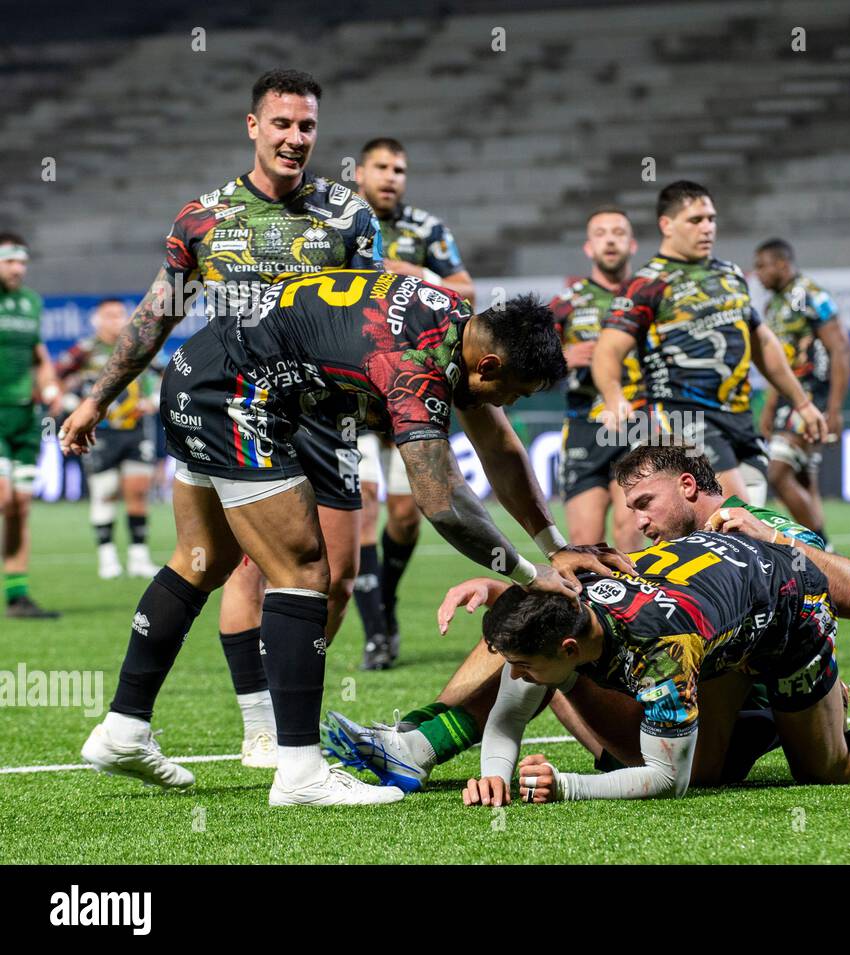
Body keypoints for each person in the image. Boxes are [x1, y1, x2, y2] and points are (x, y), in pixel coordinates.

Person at [61, 268, 629, 805]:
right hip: (235, 396)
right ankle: (301, 773)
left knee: (201, 561)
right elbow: (442, 502)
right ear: (490, 364)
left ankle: (123, 727)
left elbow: (499, 450)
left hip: (198, 372)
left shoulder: (457, 324)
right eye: (516, 392)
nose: (512, 405)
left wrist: (555, 544)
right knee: (305, 571)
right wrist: (532, 576)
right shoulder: (415, 366)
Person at [64, 69, 387, 768]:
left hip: (323, 418)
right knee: (249, 568)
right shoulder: (203, 218)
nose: (295, 138)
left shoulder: (350, 216)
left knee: (329, 575)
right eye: (282, 124)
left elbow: (372, 321)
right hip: (233, 415)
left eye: (307, 127)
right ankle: (270, 731)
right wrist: (98, 394)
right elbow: (158, 314)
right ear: (253, 126)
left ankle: (148, 724)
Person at [456, 531, 850, 805]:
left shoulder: (661, 653)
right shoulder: (560, 608)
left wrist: (565, 787)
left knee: (825, 772)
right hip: (718, 610)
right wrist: (494, 780)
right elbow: (507, 717)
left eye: (524, 666)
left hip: (790, 605)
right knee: (714, 768)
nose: (515, 675)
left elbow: (670, 780)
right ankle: (812, 707)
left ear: (572, 649)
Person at [592, 180, 826, 505]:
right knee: (736, 515)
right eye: (695, 220)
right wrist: (613, 395)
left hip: (740, 418)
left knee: (738, 528)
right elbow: (608, 348)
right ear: (667, 225)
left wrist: (801, 402)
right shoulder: (646, 284)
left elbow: (763, 343)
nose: (707, 228)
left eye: (711, 219)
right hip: (684, 416)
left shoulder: (730, 275)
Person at [352, 136, 475, 669]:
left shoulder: (428, 230)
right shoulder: (339, 222)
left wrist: (416, 275)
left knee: (406, 515)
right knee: (363, 509)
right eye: (381, 167)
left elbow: (464, 289)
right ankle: (377, 633)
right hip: (351, 391)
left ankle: (387, 599)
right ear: (359, 172)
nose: (391, 176)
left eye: (399, 168)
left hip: (410, 390)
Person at [551, 206, 643, 555]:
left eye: (618, 233)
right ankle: (596, 609)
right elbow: (530, 367)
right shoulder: (565, 304)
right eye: (601, 233)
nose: (610, 240)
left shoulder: (648, 297)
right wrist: (563, 358)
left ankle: (637, 608)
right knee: (586, 545)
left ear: (632, 244)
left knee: (629, 529)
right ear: (589, 248)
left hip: (638, 424)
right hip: (584, 428)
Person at [752, 238, 850, 547]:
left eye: (761, 266)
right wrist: (769, 406)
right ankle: (827, 558)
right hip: (787, 400)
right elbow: (778, 362)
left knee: (778, 473)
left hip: (812, 397)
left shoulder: (812, 294)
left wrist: (834, 408)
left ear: (782, 264)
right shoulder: (773, 305)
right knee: (802, 479)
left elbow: (841, 348)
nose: (757, 274)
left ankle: (821, 546)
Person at [56, 298, 162, 579]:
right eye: (109, 315)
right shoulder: (85, 350)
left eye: (119, 315)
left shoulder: (140, 345)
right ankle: (107, 557)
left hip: (136, 429)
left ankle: (139, 556)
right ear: (97, 320)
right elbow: (56, 375)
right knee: (105, 491)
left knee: (138, 490)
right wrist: (69, 401)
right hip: (99, 431)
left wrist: (154, 398)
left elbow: (167, 373)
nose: (115, 320)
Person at [0, 232, 61, 618]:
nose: (18, 268)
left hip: (25, 417)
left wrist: (50, 384)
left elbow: (39, 354)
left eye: (22, 261)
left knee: (21, 505)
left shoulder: (31, 303)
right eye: (9, 261)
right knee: (3, 496)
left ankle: (17, 595)